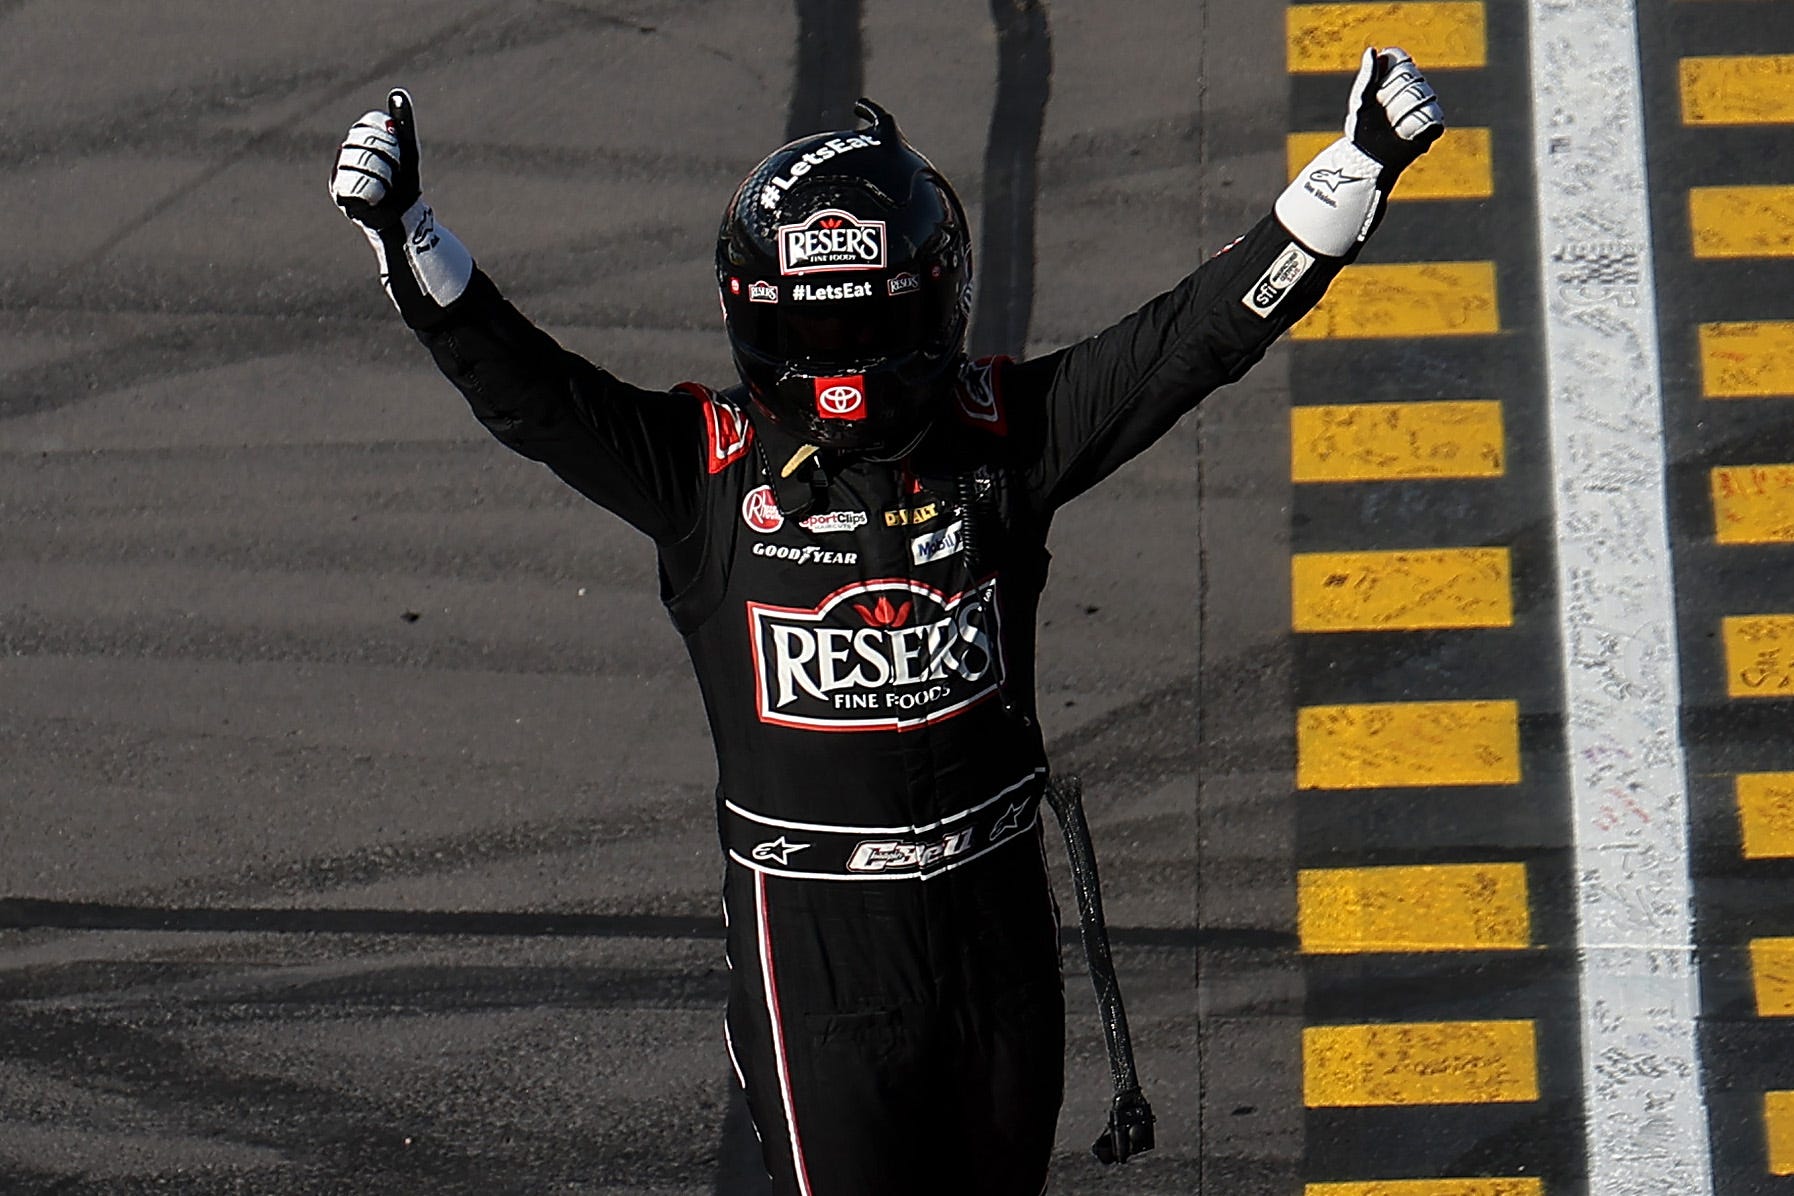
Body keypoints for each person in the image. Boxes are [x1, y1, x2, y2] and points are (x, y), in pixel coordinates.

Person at [330, 49, 1442, 1196]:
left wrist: (1353, 172)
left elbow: (1189, 339)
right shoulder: (700, 472)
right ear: (757, 318)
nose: (847, 368)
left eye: (872, 325)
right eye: (817, 336)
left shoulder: (1005, 437)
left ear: (936, 300)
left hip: (995, 936)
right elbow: (530, 392)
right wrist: (408, 234)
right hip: (817, 958)